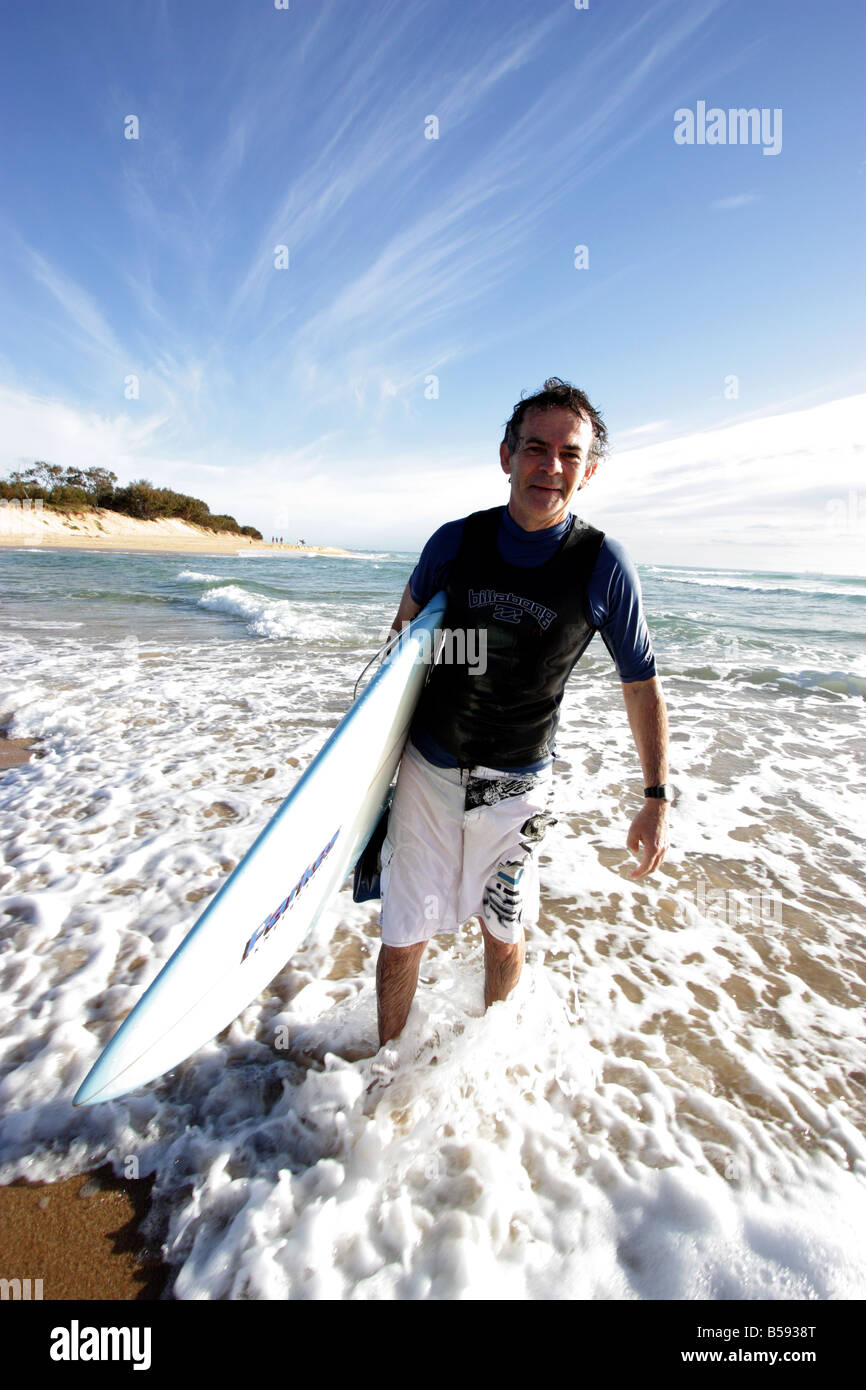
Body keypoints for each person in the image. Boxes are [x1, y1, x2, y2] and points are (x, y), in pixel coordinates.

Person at [377, 378, 669, 1045]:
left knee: (502, 937)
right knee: (402, 938)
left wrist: (656, 796)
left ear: (588, 471)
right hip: (429, 766)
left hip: (517, 787)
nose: (551, 466)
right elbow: (402, 647)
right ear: (506, 455)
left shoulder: (603, 565)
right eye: (536, 448)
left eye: (569, 454)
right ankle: (384, 1072)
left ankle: (484, 1067)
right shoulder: (454, 543)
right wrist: (371, 773)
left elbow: (641, 683)